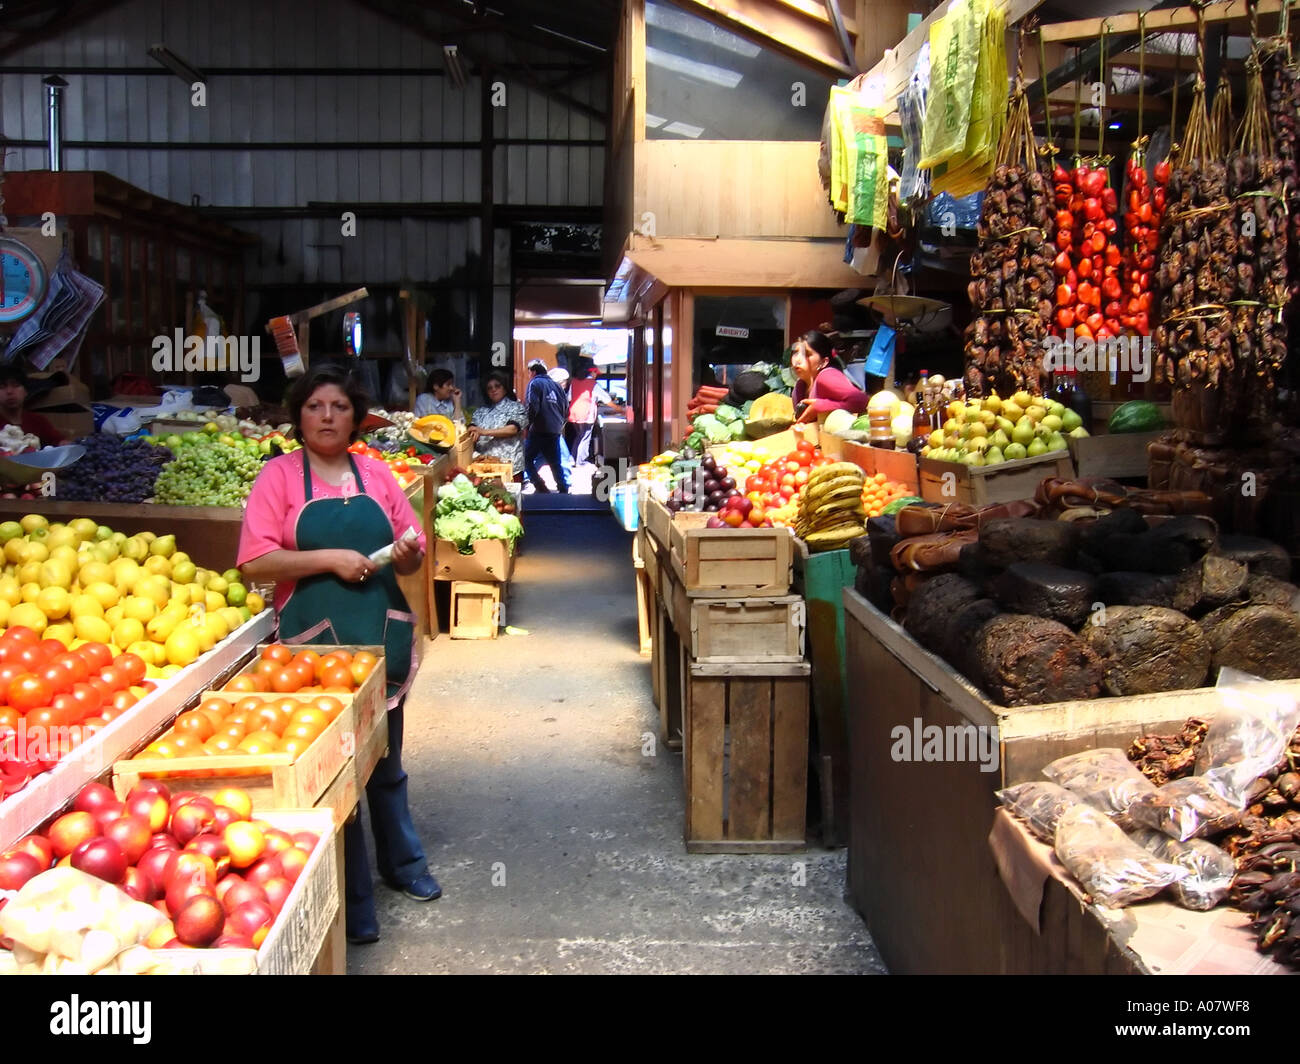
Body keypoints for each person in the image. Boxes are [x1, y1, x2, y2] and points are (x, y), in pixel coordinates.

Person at [237, 364, 440, 946]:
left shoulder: (377, 475)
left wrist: (404, 553)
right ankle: (351, 901)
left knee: (387, 760)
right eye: (314, 407)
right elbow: (253, 562)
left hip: (379, 636)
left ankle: (403, 866)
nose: (327, 417)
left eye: (339, 407)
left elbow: (411, 556)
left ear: (356, 416)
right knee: (333, 772)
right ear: (298, 416)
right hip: (312, 645)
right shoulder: (277, 478)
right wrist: (327, 559)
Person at [791, 330, 869, 424]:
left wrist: (822, 406)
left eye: (807, 354)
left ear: (824, 362)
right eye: (795, 353)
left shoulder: (826, 377)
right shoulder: (799, 387)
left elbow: (862, 401)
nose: (798, 360)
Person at [468, 370, 527, 477]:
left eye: (497, 386)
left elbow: (512, 429)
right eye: (489, 388)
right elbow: (471, 429)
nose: (493, 390)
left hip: (510, 468)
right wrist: (473, 431)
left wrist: (483, 432)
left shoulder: (516, 407)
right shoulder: (481, 411)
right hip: (483, 468)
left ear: (504, 388)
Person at [523, 359, 569, 492]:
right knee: (555, 463)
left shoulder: (535, 383)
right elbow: (566, 410)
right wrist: (559, 425)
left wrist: (527, 425)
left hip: (539, 429)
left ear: (533, 372)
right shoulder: (557, 386)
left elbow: (533, 407)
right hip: (554, 431)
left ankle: (539, 485)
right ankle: (563, 488)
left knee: (525, 459)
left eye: (530, 372)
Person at [567, 367, 622, 467]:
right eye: (596, 373)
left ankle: (572, 459)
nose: (596, 375)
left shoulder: (574, 381)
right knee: (585, 437)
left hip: (574, 412)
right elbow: (606, 399)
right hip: (586, 413)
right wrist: (619, 409)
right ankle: (581, 462)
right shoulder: (593, 384)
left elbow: (569, 397)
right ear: (592, 372)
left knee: (579, 436)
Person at [0, 366, 66, 447]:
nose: (9, 391)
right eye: (2, 387)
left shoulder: (38, 421)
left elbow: (60, 443)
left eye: (16, 385)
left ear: (26, 391)